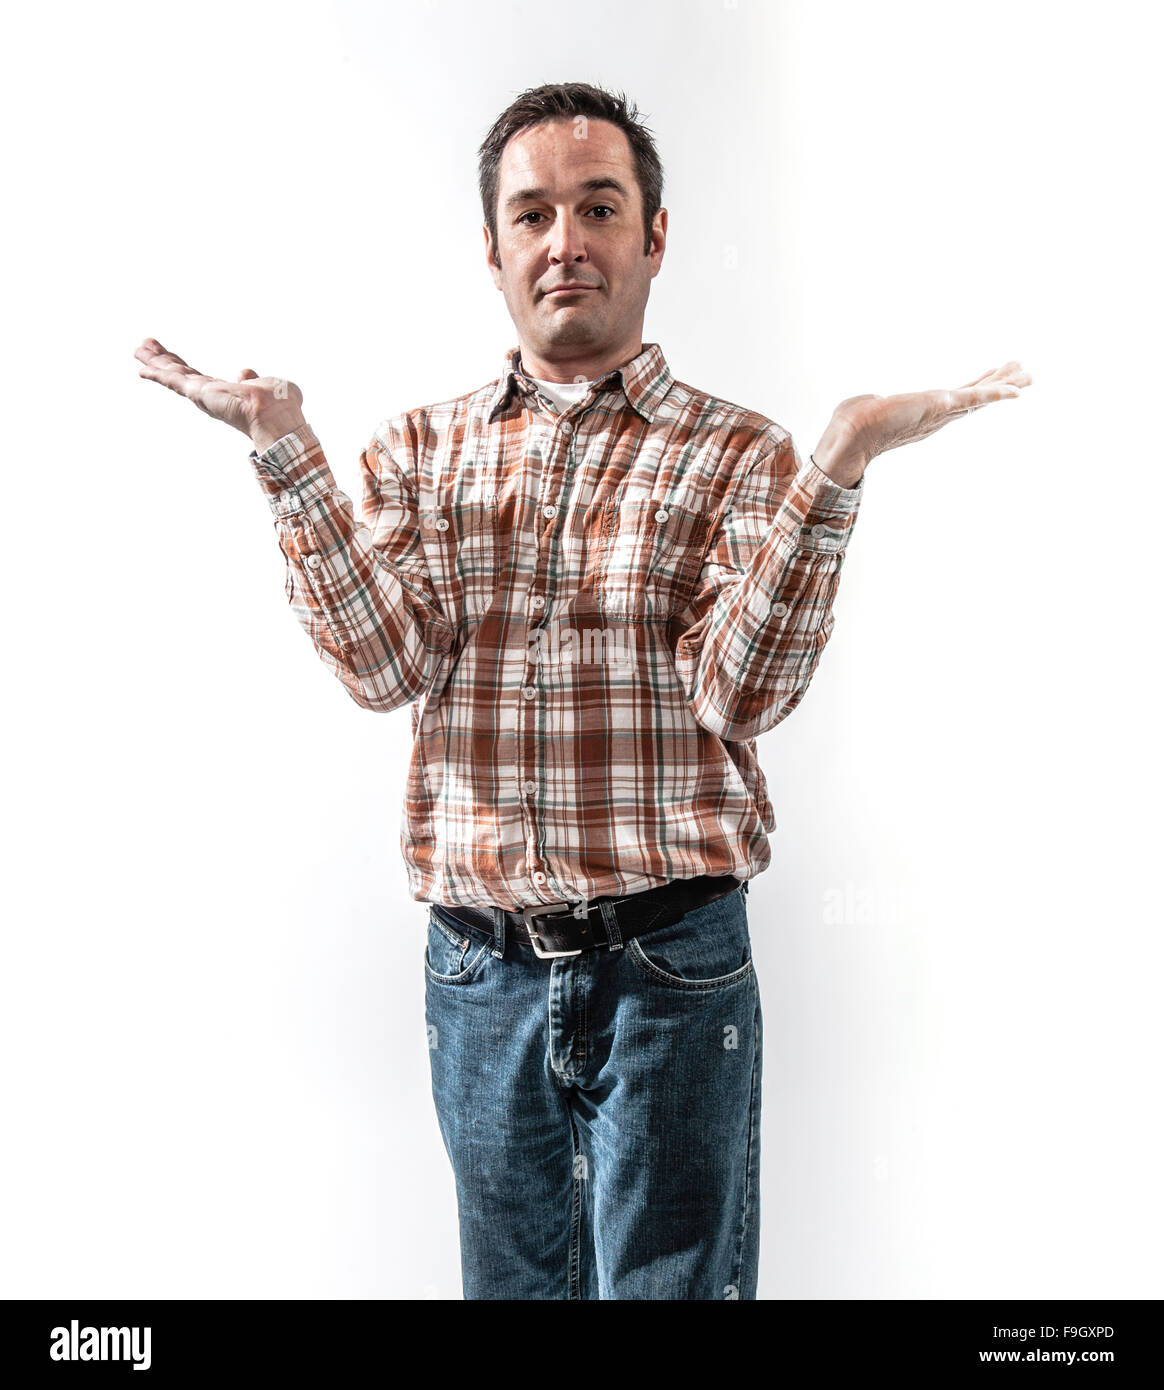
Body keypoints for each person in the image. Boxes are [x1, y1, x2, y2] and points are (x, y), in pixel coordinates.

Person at [135, 81, 1029, 1300]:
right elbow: (384, 667)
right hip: (478, 970)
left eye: (599, 207)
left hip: (672, 964)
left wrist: (838, 462)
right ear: (493, 249)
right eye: (534, 214)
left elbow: (744, 692)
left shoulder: (736, 453)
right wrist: (287, 453)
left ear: (653, 235)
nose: (567, 241)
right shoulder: (417, 450)